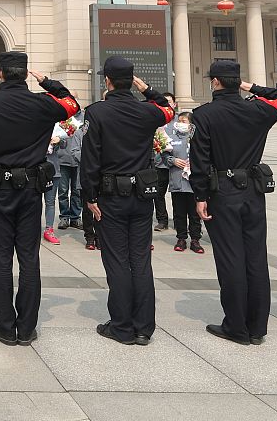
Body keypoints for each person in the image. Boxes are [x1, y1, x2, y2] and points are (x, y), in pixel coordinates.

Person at [0, 53, 79, 345]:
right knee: (29, 258)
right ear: (26, 74)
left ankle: (5, 326)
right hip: (31, 190)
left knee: (1, 258)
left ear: (1, 74)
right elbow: (72, 104)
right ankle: (27, 327)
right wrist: (48, 82)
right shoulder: (43, 103)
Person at [190, 60, 277, 346]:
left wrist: (200, 196)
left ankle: (236, 326)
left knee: (231, 258)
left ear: (215, 82)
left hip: (222, 191)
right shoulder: (259, 109)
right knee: (256, 258)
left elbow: (200, 160)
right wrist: (251, 86)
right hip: (252, 191)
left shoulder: (205, 114)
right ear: (237, 82)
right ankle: (257, 326)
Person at [79, 58, 174, 346]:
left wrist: (90, 196)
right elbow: (168, 108)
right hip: (142, 196)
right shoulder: (147, 111)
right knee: (141, 260)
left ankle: (121, 326)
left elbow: (90, 158)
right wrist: (146, 89)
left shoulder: (97, 113)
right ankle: (144, 327)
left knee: (117, 261)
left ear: (106, 80)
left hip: (111, 195)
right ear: (131, 80)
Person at [166, 112, 203, 253]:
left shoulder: (197, 138)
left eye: (184, 121)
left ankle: (195, 239)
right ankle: (181, 238)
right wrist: (173, 161)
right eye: (179, 120)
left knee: (194, 213)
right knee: (179, 212)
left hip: (193, 183)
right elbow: (164, 156)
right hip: (177, 181)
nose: (180, 123)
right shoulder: (172, 138)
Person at [50, 110, 85, 238]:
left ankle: (76, 217)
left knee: (77, 190)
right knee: (63, 190)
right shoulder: (63, 117)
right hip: (63, 159)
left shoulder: (84, 117)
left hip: (79, 161)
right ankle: (64, 216)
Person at [152, 92, 178, 231]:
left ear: (174, 104)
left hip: (177, 165)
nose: (167, 105)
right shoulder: (157, 121)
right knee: (158, 193)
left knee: (177, 193)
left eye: (169, 102)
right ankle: (162, 220)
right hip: (160, 163)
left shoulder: (181, 121)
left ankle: (178, 219)